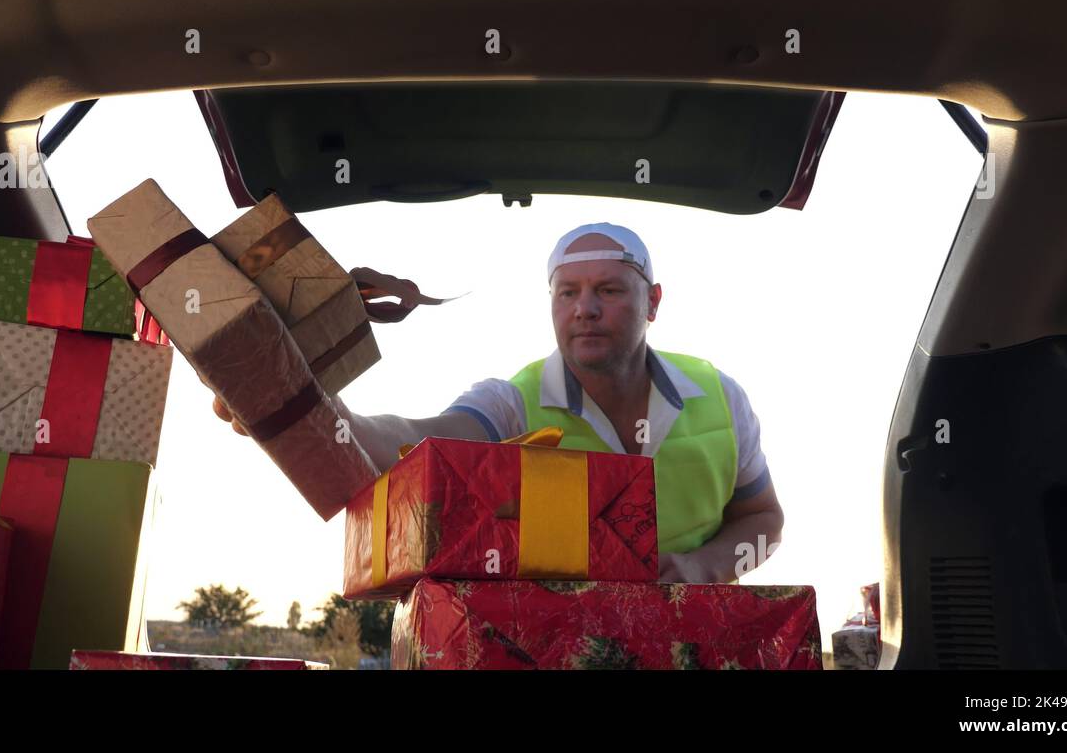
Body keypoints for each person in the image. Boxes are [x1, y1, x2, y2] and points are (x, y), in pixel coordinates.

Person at [213, 222, 783, 583]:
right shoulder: (513, 403)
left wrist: (700, 568)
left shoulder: (719, 396)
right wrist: (312, 406)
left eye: (608, 290)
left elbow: (762, 521)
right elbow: (414, 443)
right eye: (568, 292)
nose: (585, 308)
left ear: (652, 301)